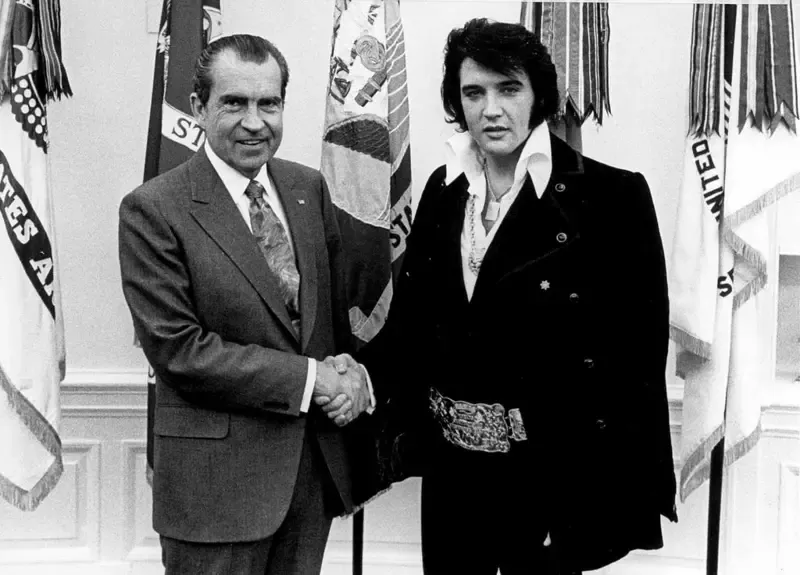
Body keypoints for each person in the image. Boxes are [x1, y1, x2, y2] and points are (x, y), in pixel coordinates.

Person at [325, 17, 677, 575]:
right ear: (456, 102)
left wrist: (591, 507)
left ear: (538, 94)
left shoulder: (611, 198)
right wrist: (359, 376)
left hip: (552, 482)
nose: (491, 109)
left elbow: (634, 362)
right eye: (473, 92)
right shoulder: (444, 191)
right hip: (451, 477)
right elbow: (413, 328)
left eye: (508, 88)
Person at [118, 34, 371, 575]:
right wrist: (313, 380)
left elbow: (325, 321)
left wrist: (351, 374)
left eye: (269, 104)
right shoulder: (153, 209)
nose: (255, 122)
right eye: (234, 103)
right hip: (215, 493)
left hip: (310, 480)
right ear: (198, 107)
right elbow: (180, 351)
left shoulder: (308, 189)